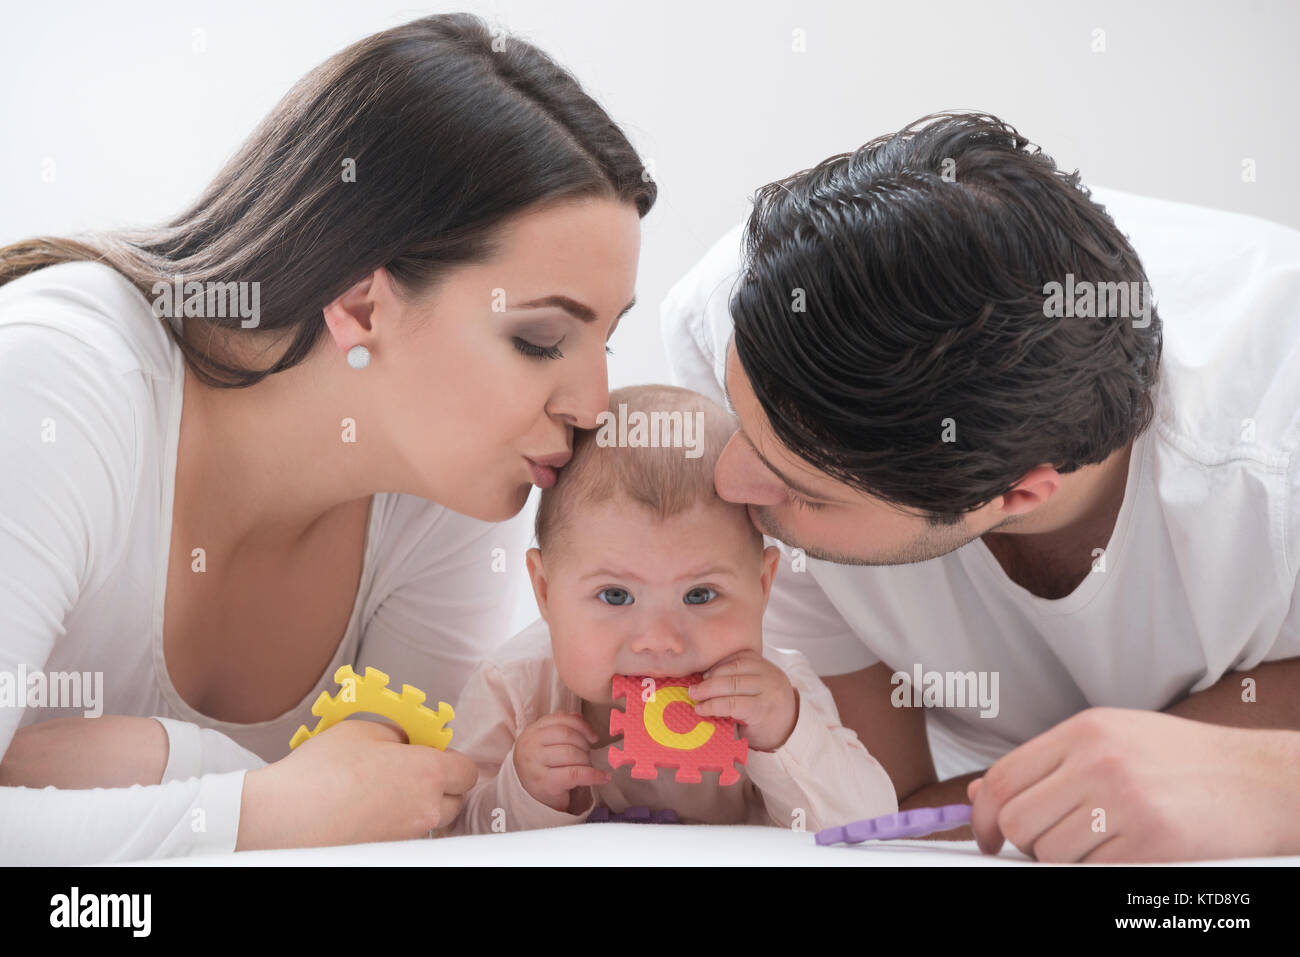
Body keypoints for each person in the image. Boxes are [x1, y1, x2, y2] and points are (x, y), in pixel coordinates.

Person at [0, 12, 654, 864]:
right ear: (361, 304)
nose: (593, 403)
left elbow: (399, 816)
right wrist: (251, 805)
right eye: (538, 340)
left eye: (608, 339)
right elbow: (320, 813)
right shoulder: (56, 384)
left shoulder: (452, 484)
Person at [660, 112, 1300, 862]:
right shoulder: (741, 314)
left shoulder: (1268, 457)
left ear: (1019, 495)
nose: (725, 479)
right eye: (744, 420)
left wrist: (1267, 777)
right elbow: (881, 808)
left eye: (803, 488)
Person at [435, 385, 896, 835]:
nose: (659, 639)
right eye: (615, 596)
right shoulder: (514, 689)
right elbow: (445, 837)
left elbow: (871, 825)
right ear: (545, 591)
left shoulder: (776, 693)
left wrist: (785, 734)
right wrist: (522, 794)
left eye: (700, 595)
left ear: (762, 585)